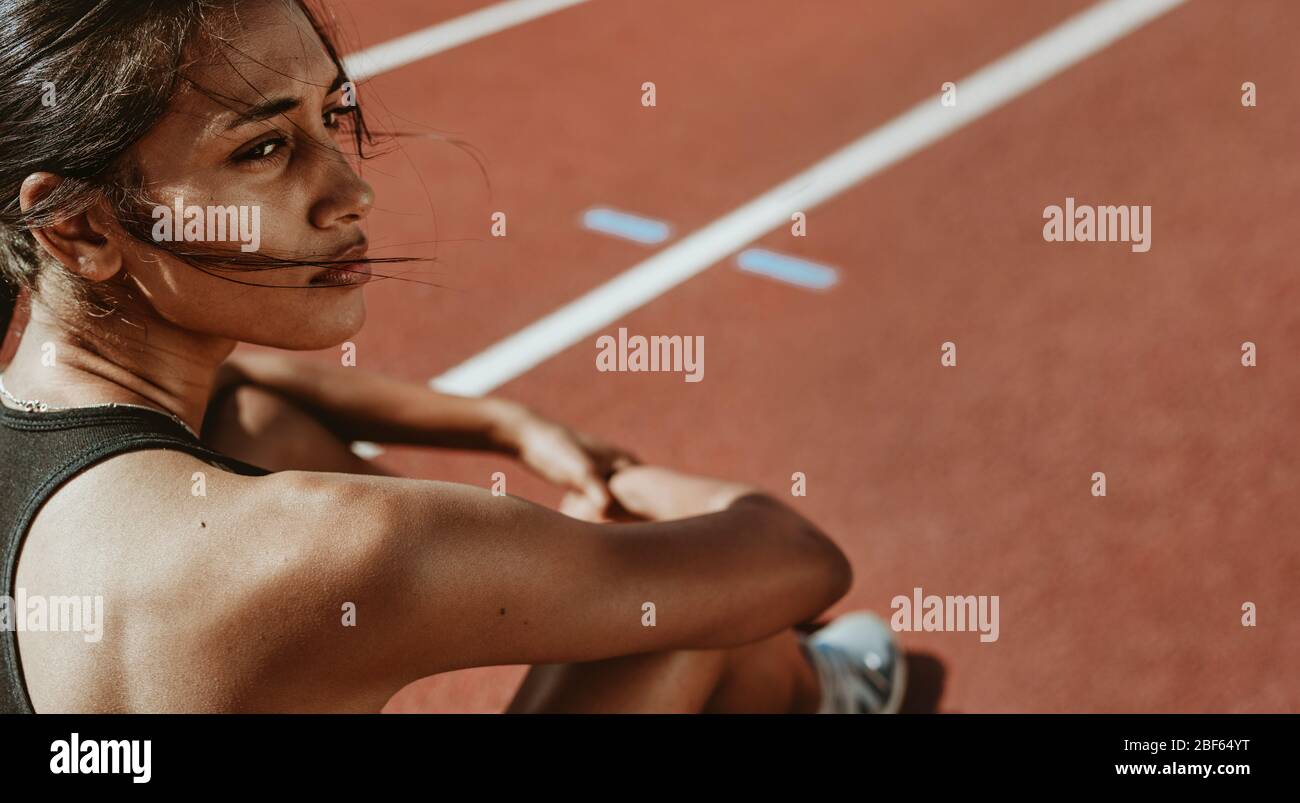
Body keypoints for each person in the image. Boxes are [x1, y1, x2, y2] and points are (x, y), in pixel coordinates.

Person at [0, 0, 904, 714]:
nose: (352, 190)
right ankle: (812, 692)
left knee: (265, 424)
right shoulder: (332, 546)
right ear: (81, 227)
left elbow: (249, 386)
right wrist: (634, 491)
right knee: (683, 611)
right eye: (264, 148)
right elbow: (803, 559)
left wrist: (510, 425)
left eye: (332, 115)